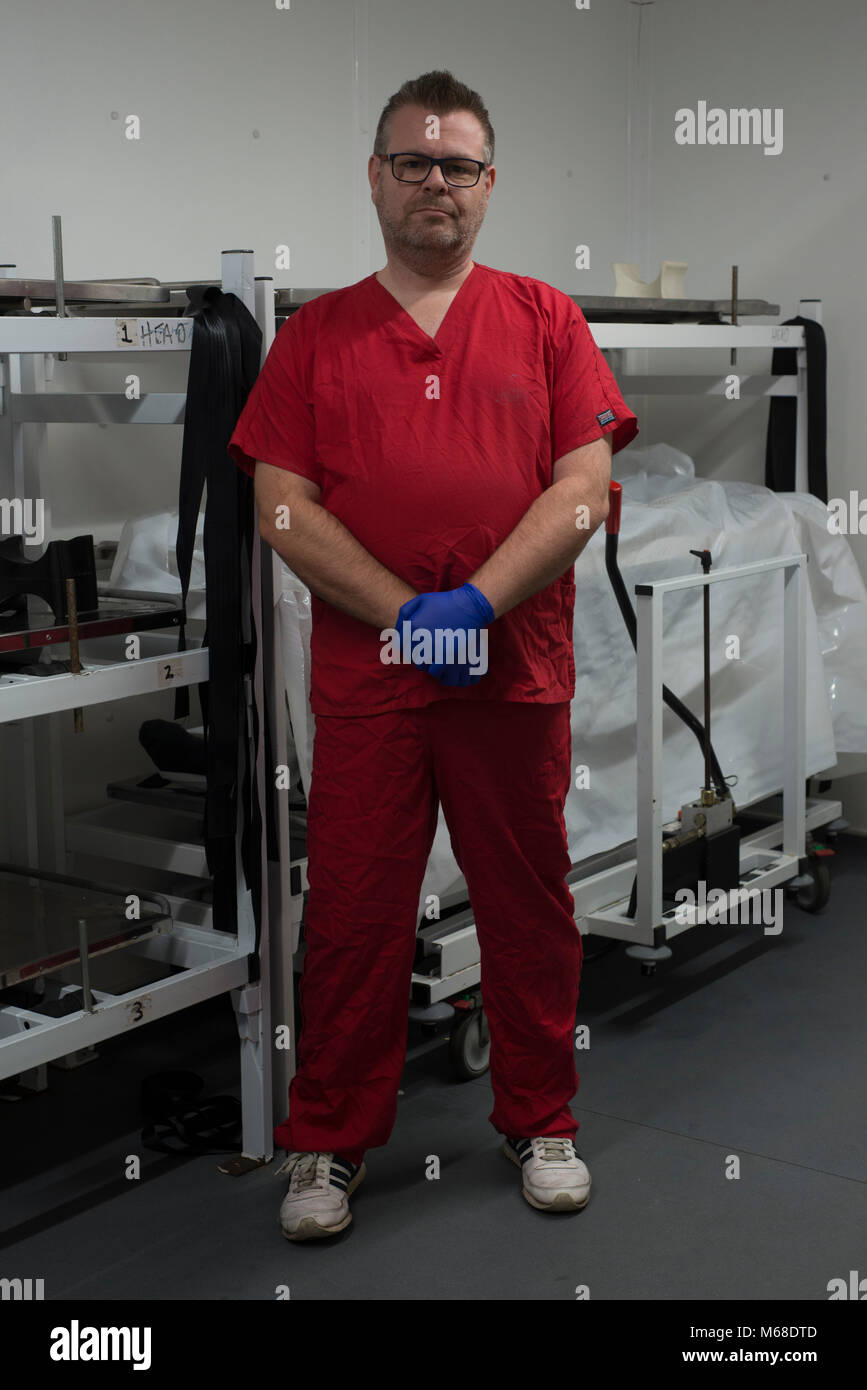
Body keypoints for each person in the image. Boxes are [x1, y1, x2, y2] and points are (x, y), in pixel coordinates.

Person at [228, 69, 639, 1242]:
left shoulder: (546, 320)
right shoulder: (316, 338)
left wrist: (477, 601)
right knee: (353, 911)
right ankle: (329, 1144)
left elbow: (584, 487)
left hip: (513, 670)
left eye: (458, 165)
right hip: (372, 683)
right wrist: (411, 613)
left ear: (489, 186)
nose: (435, 183)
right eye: (413, 160)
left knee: (527, 902)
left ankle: (541, 1118)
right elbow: (283, 507)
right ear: (375, 177)